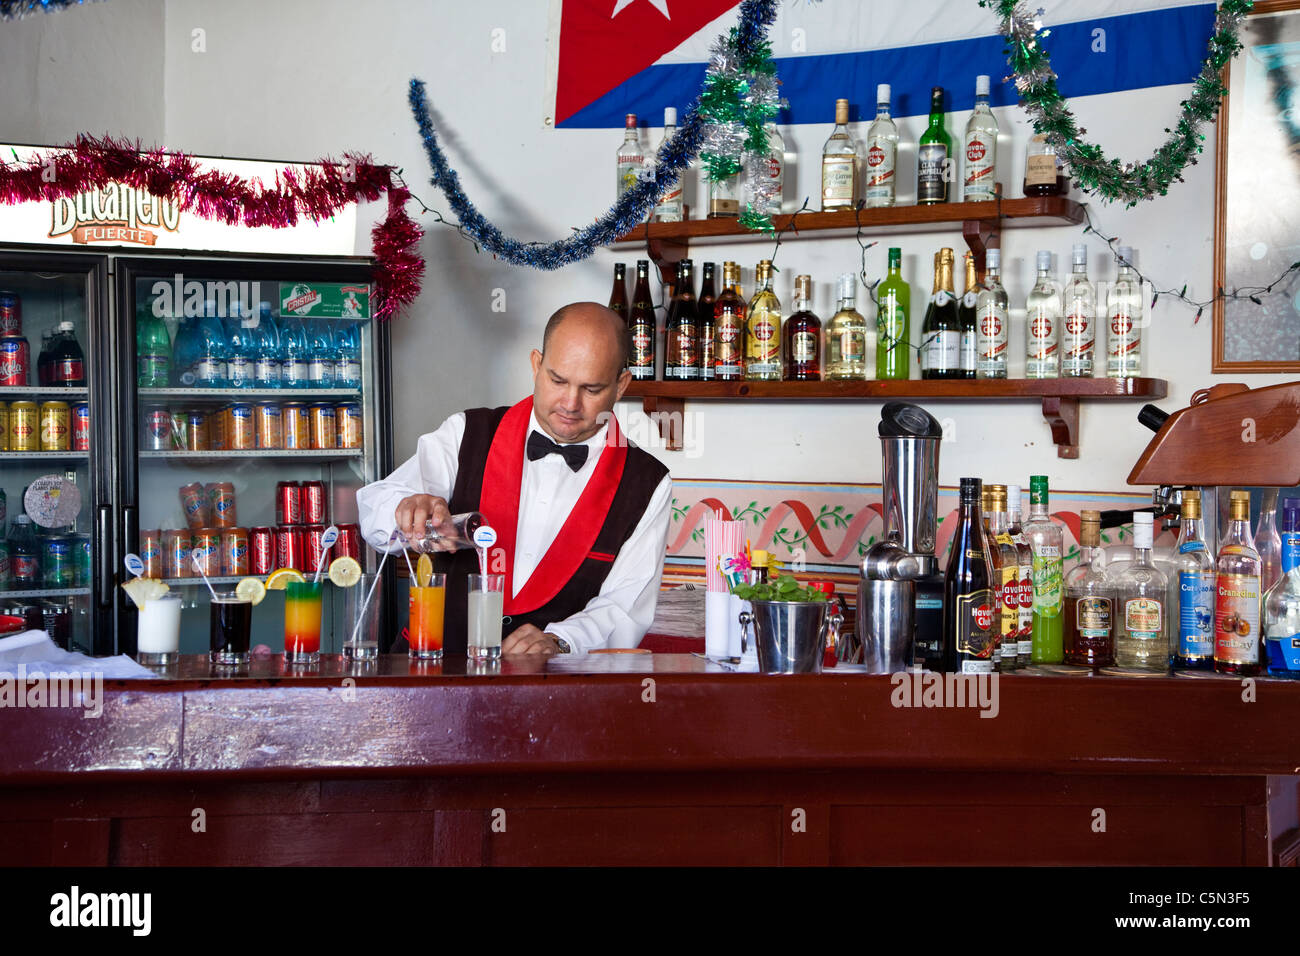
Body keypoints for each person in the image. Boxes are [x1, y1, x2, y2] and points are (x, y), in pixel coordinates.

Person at [357, 301, 672, 656]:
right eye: (558, 380)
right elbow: (373, 512)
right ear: (536, 365)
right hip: (428, 674)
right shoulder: (467, 432)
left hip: (550, 696)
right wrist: (406, 508)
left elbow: (625, 605)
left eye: (592, 388)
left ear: (621, 385)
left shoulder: (647, 483)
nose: (570, 403)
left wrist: (562, 640)